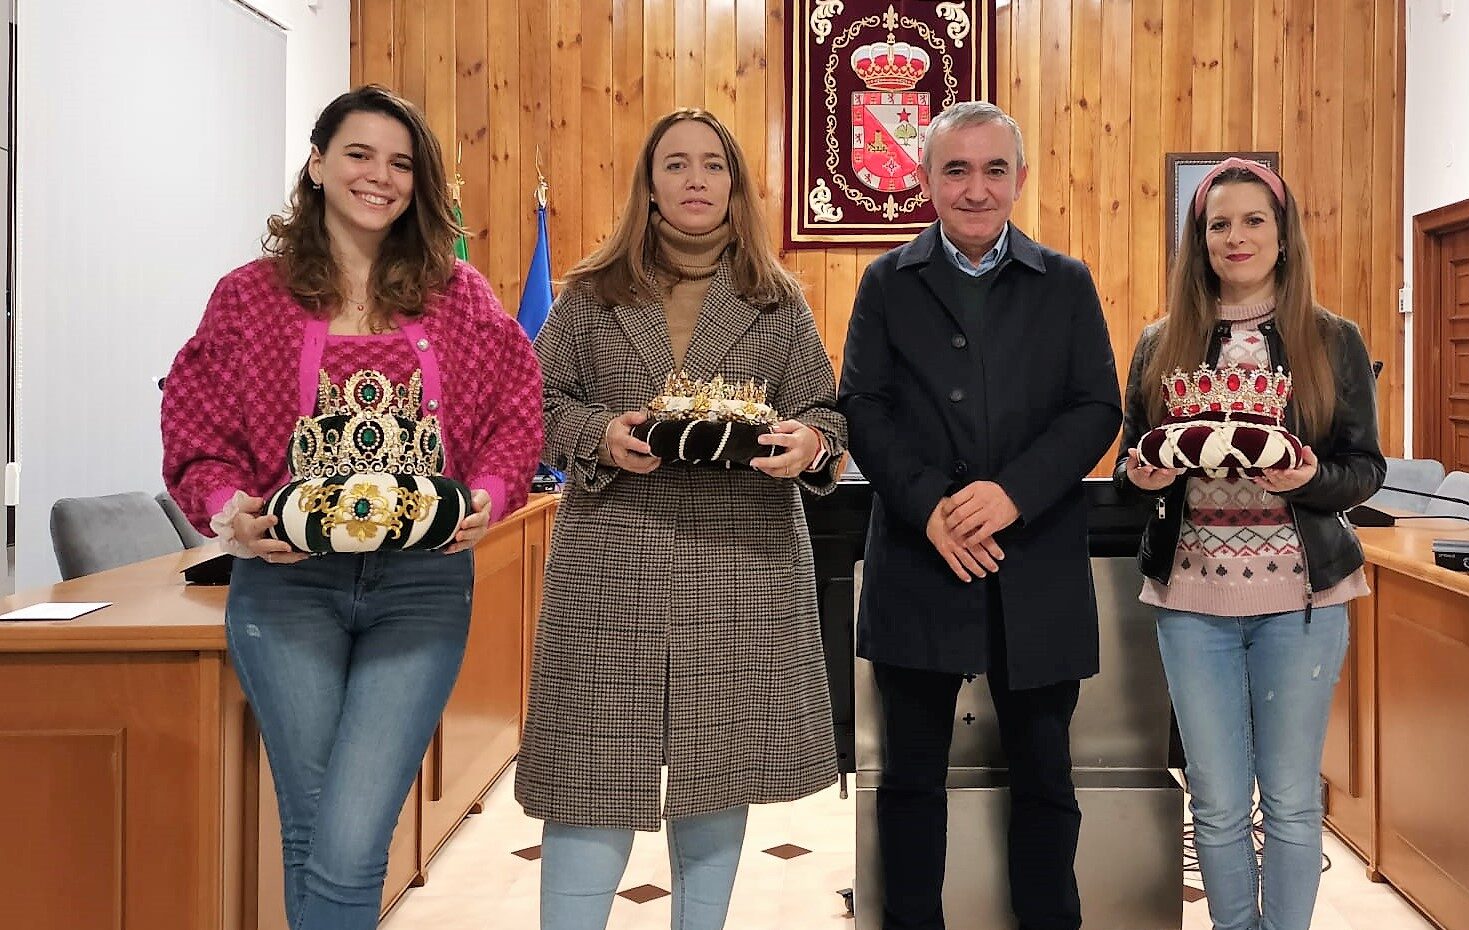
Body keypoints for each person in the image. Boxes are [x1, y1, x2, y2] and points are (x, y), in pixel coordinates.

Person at [161, 84, 543, 930]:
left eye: (401, 163)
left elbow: (517, 412)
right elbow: (195, 421)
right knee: (312, 829)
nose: (380, 176)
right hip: (285, 589)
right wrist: (229, 509)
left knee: (350, 836)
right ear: (317, 164)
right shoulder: (247, 297)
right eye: (359, 154)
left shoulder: (459, 295)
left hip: (421, 589)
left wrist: (488, 494)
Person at [514, 106, 847, 930]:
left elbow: (825, 412)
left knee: (715, 772)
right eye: (675, 164)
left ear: (734, 184)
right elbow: (535, 403)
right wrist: (598, 433)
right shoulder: (589, 295)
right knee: (590, 774)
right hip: (611, 562)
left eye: (712, 164)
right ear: (650, 185)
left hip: (742, 561)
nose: (695, 179)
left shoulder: (777, 300)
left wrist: (808, 442)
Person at [839, 101, 1122, 930]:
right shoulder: (886, 282)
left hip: (1034, 565)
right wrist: (930, 506)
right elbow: (863, 407)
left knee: (1045, 779)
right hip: (918, 561)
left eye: (993, 169)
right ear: (924, 180)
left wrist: (1012, 494)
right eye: (955, 170)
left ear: (1019, 179)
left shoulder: (1065, 282)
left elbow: (1095, 408)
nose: (975, 189)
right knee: (909, 783)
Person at [1114, 157, 1385, 930]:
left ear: (1282, 234)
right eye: (1218, 224)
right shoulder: (1161, 342)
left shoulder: (1329, 340)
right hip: (1190, 599)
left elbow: (1363, 469)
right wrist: (1143, 475)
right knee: (1217, 801)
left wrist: (1307, 478)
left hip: (1301, 602)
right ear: (1199, 240)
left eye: (1253, 220)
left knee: (1292, 800)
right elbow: (1129, 468)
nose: (1236, 237)